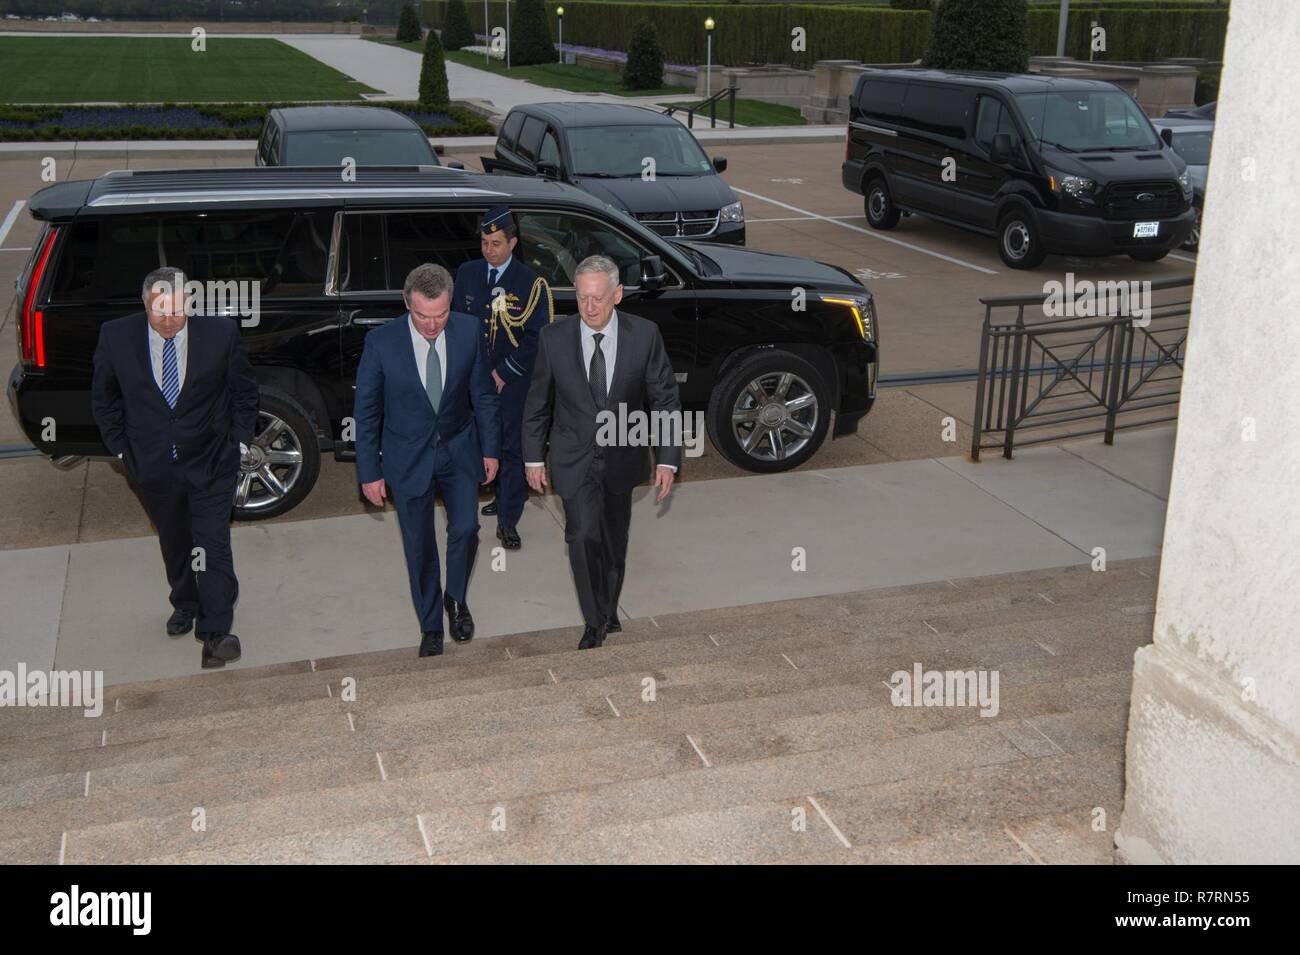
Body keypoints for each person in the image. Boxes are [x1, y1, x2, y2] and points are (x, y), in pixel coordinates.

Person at [91, 266, 258, 669]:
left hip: (212, 462)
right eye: (160, 312)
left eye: (178, 312)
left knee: (212, 543)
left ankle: (216, 632)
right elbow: (104, 399)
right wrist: (121, 451)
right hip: (152, 465)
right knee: (176, 540)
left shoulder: (220, 334)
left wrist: (237, 442)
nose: (169, 321)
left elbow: (244, 391)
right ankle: (185, 601)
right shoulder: (116, 337)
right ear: (145, 303)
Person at [523, 255, 682, 650]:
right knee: (581, 537)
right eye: (581, 298)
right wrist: (532, 458)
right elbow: (537, 404)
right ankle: (593, 622)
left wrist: (666, 457)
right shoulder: (553, 339)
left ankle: (609, 607)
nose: (590, 308)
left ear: (618, 294)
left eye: (598, 298)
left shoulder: (644, 336)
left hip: (622, 458)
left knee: (613, 540)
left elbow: (664, 400)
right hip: (572, 460)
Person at [354, 263, 501, 657]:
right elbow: (366, 413)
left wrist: (490, 448)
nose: (433, 325)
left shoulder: (469, 331)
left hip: (459, 449)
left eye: (441, 315)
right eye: (423, 316)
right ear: (407, 304)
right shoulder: (381, 343)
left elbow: (483, 396)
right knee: (419, 545)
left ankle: (456, 599)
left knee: (467, 529)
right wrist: (369, 471)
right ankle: (431, 624)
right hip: (406, 458)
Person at [452, 205, 553, 550]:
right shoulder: (467, 273)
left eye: (496, 243)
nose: (489, 250)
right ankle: (489, 496)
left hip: (510, 382)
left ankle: (509, 519)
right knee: (477, 443)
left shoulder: (530, 283)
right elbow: (458, 325)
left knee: (510, 449)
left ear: (512, 242)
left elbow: (537, 336)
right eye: (484, 242)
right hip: (472, 381)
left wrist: (503, 372)